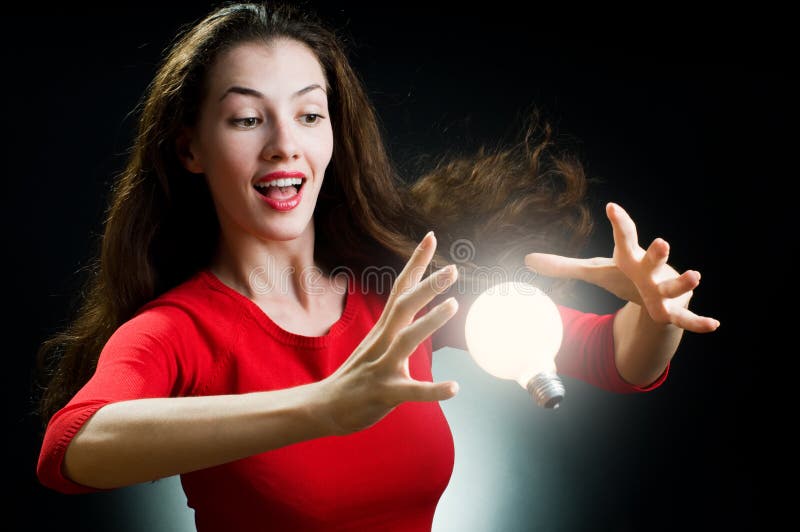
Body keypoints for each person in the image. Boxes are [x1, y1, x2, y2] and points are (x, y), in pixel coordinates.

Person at [35, 2, 720, 531]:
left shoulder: (396, 293)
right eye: (247, 120)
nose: (284, 145)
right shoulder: (179, 330)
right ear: (190, 148)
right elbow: (70, 449)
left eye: (309, 114)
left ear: (334, 133)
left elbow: (614, 358)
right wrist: (324, 407)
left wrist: (654, 312)